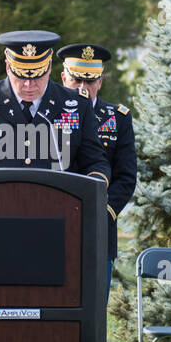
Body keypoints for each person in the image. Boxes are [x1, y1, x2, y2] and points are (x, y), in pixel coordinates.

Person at [0, 30, 110, 184]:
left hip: (56, 210)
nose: (29, 84)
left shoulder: (76, 104)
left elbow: (94, 162)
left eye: (37, 75)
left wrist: (93, 189)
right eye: (20, 76)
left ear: (49, 67)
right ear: (7, 67)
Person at [58, 43, 137, 288]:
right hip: (53, 224)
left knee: (94, 310)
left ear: (100, 82)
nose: (83, 88)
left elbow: (125, 177)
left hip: (99, 229)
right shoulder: (48, 114)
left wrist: (102, 213)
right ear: (63, 78)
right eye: (76, 80)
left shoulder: (118, 119)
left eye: (90, 82)